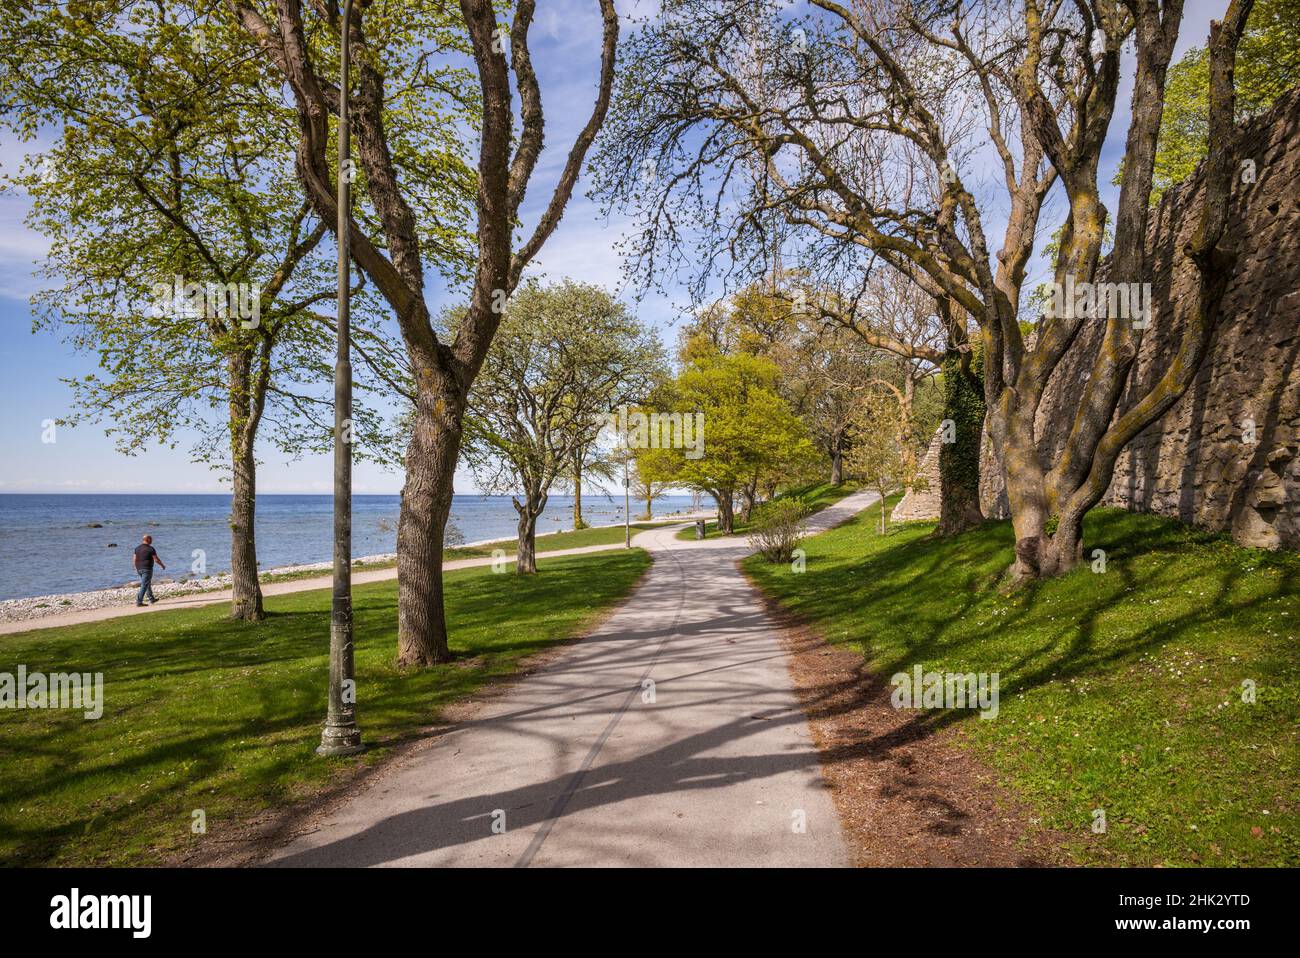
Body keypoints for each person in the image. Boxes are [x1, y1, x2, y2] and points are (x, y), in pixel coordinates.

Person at [133, 534, 165, 607]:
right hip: (147, 569)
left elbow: (134, 559)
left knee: (147, 583)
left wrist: (135, 567)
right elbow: (156, 559)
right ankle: (139, 601)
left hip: (139, 568)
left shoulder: (137, 548)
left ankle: (151, 599)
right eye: (151, 539)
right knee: (144, 585)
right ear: (148, 539)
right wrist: (162, 565)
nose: (152, 541)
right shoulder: (150, 549)